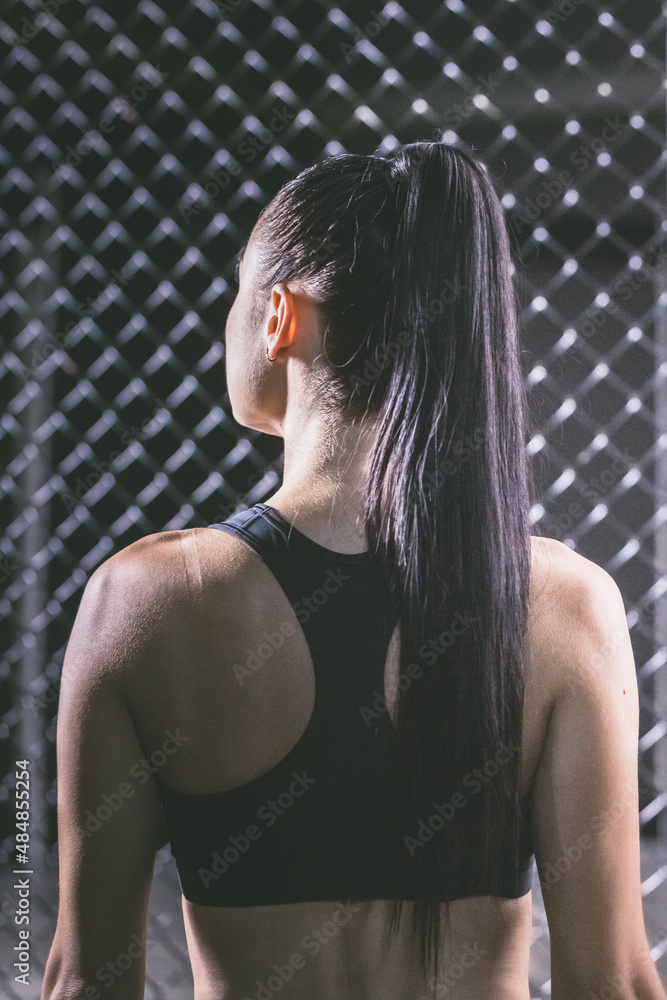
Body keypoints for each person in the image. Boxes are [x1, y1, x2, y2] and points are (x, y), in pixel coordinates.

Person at [41, 141, 665, 1000]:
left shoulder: (146, 603)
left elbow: (86, 981)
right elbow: (612, 987)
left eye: (236, 294)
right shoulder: (561, 605)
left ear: (278, 317)